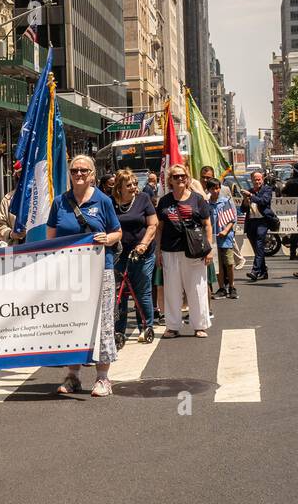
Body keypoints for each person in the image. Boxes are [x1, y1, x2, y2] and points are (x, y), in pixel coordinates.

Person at [46, 154, 121, 396]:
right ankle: (73, 376)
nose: (79, 174)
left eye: (83, 171)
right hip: (70, 273)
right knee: (72, 322)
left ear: (92, 174)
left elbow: (117, 232)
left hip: (101, 271)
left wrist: (107, 238)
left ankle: (103, 378)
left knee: (103, 323)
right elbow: (51, 237)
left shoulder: (103, 200)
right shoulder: (60, 202)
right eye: (74, 170)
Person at [155, 164, 214, 338]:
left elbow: (207, 225)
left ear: (187, 178)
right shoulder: (164, 201)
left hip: (195, 251)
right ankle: (172, 326)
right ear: (170, 180)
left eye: (182, 176)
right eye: (176, 176)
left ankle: (200, 325)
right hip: (170, 250)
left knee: (197, 289)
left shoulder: (197, 199)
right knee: (172, 290)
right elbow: (159, 228)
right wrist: (158, 251)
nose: (180, 179)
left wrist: (209, 249)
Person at [110, 168, 157, 341]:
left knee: (142, 291)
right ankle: (119, 330)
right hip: (118, 254)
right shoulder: (110, 203)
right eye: (128, 185)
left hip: (142, 253)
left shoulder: (143, 199)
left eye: (135, 184)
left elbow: (153, 224)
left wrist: (143, 243)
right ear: (119, 187)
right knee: (119, 293)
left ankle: (146, 327)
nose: (133, 187)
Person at [207, 178, 238, 299]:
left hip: (225, 237)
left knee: (229, 263)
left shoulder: (226, 202)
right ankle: (221, 288)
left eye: (217, 188)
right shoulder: (207, 204)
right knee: (217, 264)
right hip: (213, 238)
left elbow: (232, 219)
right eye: (213, 189)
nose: (216, 191)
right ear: (208, 190)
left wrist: (225, 231)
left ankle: (232, 286)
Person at [242, 169, 273, 283]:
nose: (257, 182)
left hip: (262, 222)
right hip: (251, 222)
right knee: (257, 248)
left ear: (262, 179)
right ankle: (264, 271)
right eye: (255, 180)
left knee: (260, 244)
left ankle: (255, 271)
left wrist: (251, 196)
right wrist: (245, 200)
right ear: (251, 180)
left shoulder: (267, 189)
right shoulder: (249, 191)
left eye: (259, 179)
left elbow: (264, 201)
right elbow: (243, 209)